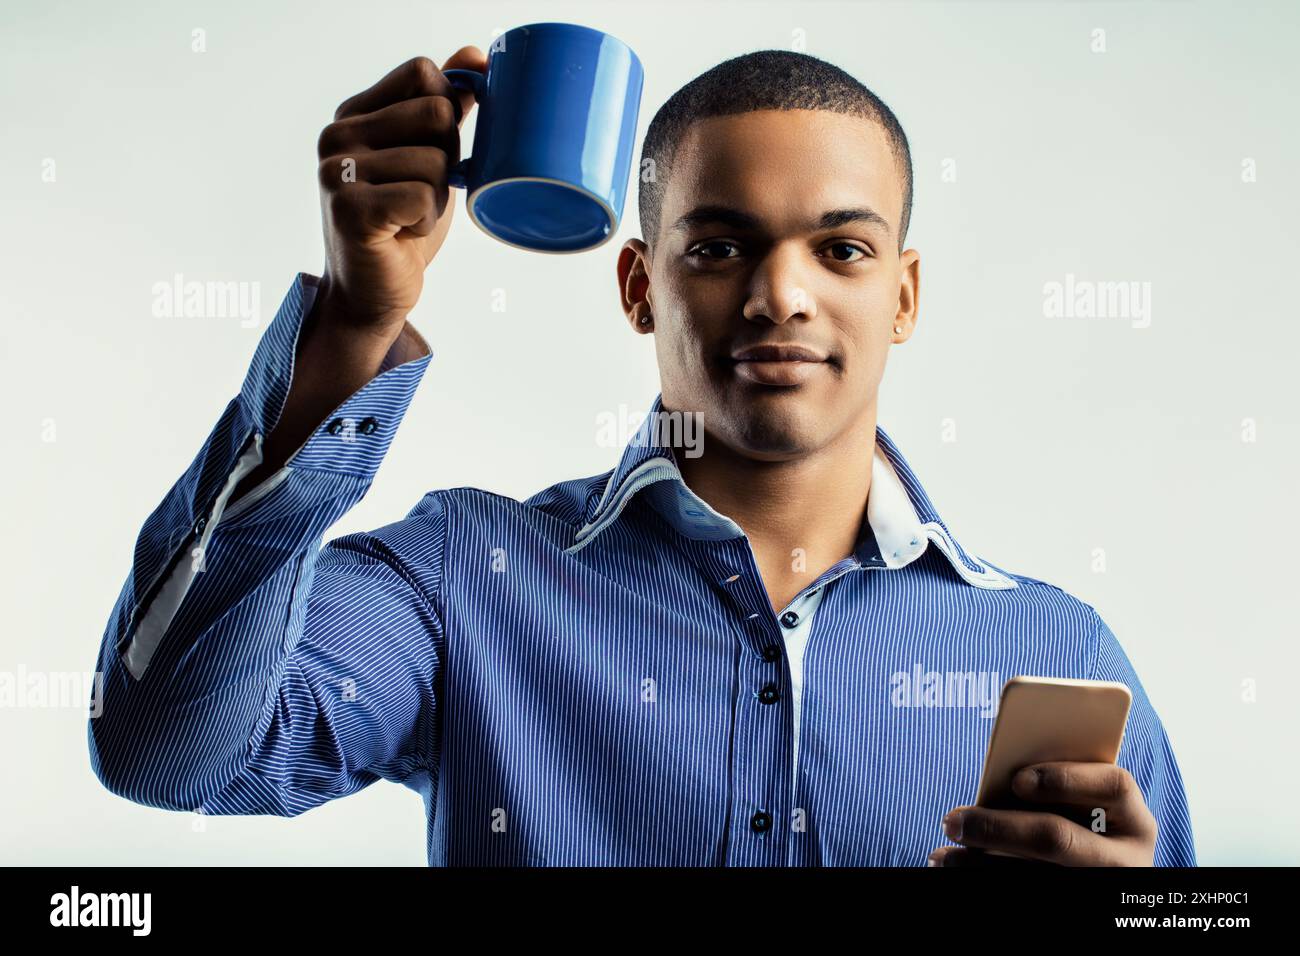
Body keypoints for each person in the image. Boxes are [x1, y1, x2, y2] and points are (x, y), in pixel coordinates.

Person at [88, 46, 1196, 867]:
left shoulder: (1058, 651)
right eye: (718, 246)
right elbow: (165, 752)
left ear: (902, 297)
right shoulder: (463, 578)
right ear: (638, 287)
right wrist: (349, 326)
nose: (780, 295)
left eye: (841, 248)